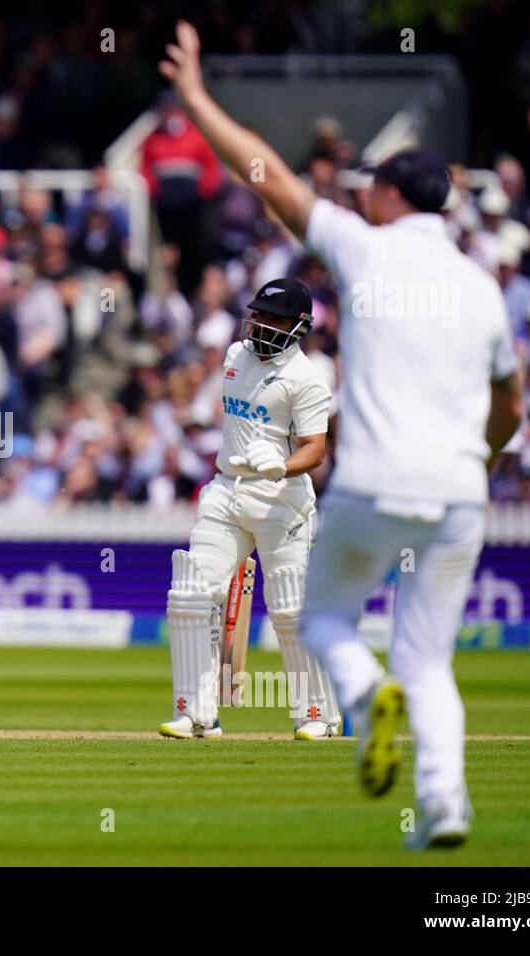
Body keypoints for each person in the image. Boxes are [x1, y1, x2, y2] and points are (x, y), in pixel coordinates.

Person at [161, 22, 524, 848]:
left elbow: (269, 178)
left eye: (372, 189)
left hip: (365, 484)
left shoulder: (365, 249)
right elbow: (512, 403)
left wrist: (194, 98)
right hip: (460, 491)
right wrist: (489, 457)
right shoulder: (481, 284)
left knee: (317, 618)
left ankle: (359, 702)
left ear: (391, 196)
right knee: (427, 659)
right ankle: (444, 807)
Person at [163, 277, 340, 741]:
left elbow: (316, 450)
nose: (260, 324)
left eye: (273, 318)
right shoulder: (234, 357)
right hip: (226, 489)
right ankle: (196, 712)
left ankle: (318, 714)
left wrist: (279, 467)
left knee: (289, 608)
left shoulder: (306, 379)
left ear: (299, 327)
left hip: (281, 501)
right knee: (190, 594)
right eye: (258, 314)